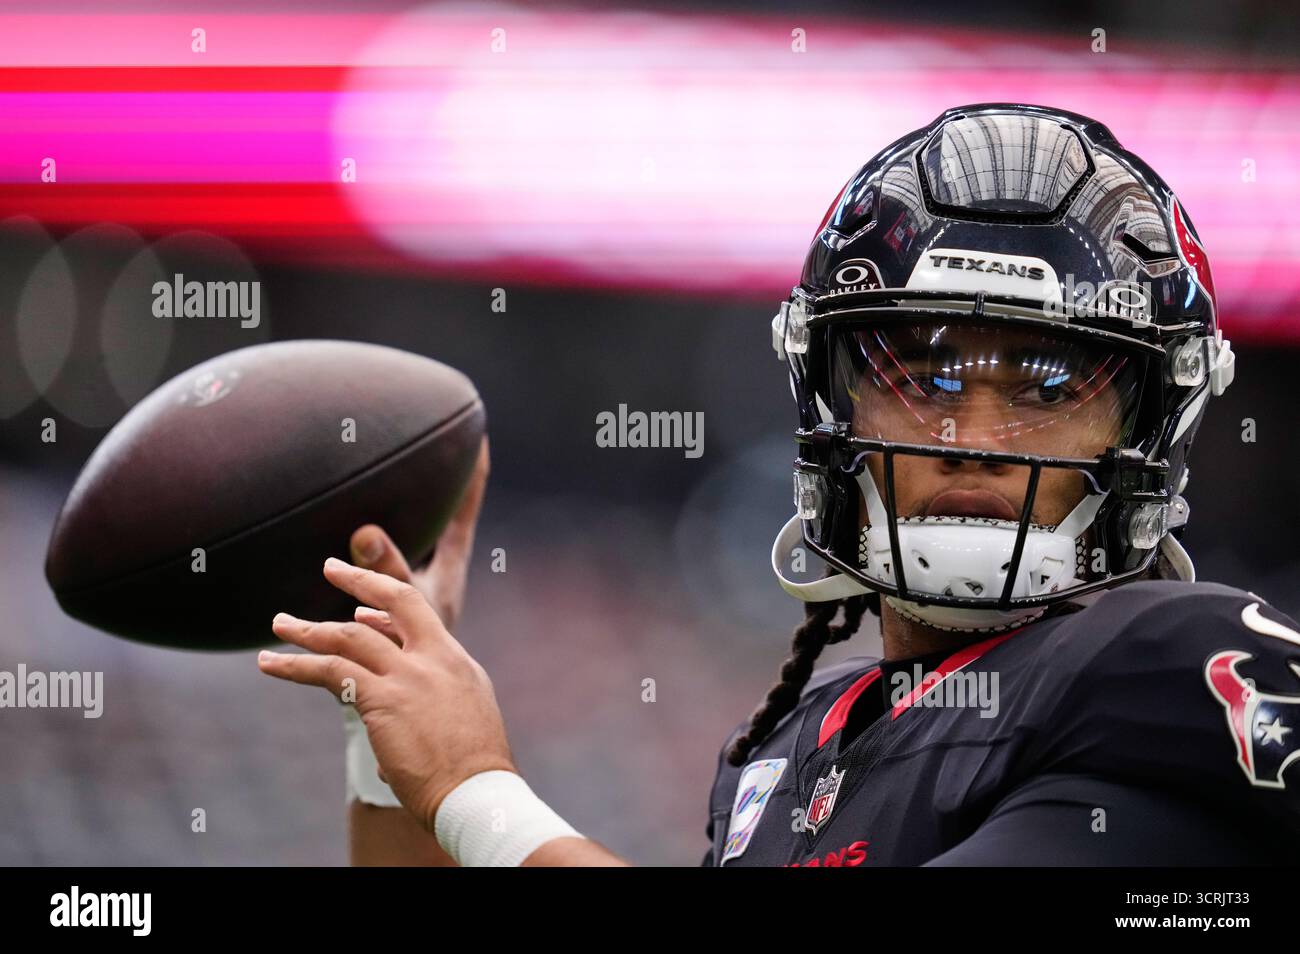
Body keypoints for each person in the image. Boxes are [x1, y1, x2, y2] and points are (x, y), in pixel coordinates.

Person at [258, 104, 1300, 866]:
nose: (973, 436)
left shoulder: (1175, 665)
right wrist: (392, 748)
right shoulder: (788, 752)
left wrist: (478, 788)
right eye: (923, 376)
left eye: (1046, 384)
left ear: (1153, 425)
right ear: (828, 402)